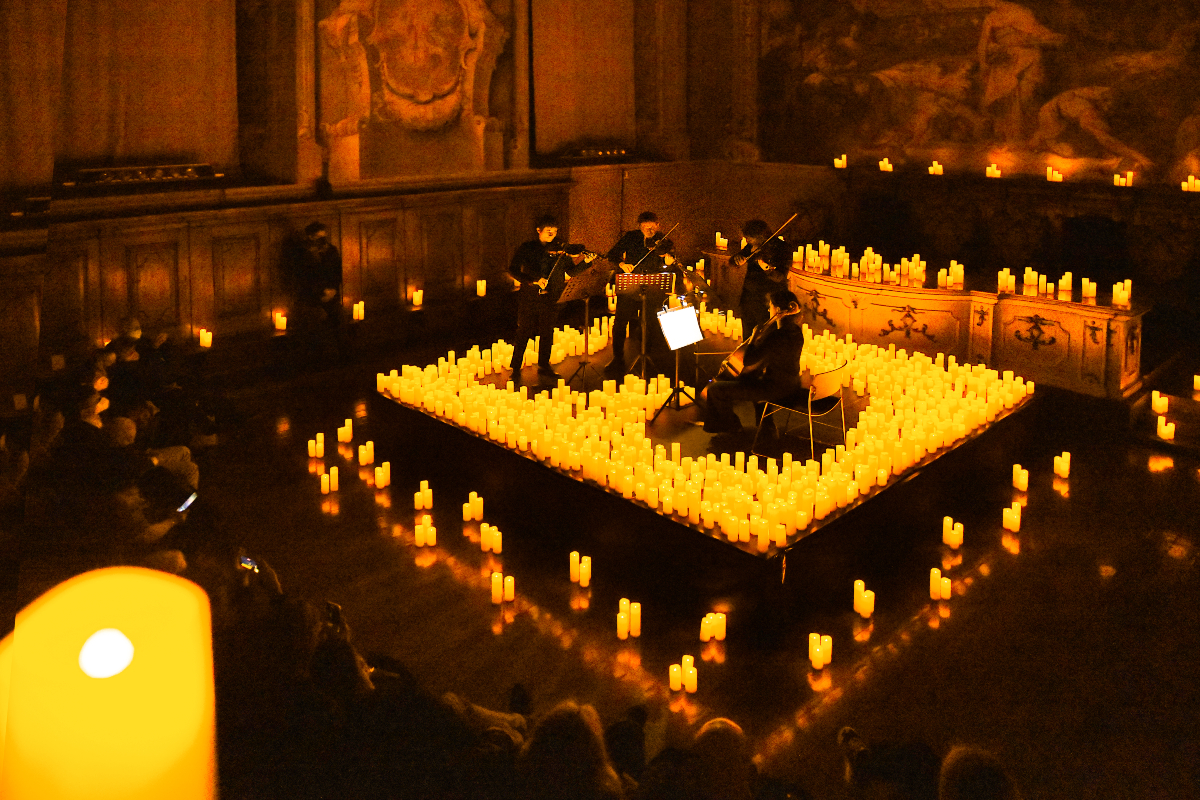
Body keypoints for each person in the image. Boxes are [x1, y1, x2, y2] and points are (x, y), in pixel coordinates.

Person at [701, 289, 805, 435]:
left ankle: (732, 427)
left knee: (715, 390)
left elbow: (749, 360)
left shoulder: (776, 337)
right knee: (752, 377)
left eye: (771, 306)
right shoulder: (795, 331)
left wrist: (753, 337)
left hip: (776, 389)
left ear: (779, 310)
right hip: (792, 383)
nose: (769, 309)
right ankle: (767, 425)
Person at [508, 215, 596, 381]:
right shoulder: (527, 247)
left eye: (555, 232)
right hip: (530, 296)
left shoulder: (561, 250)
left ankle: (544, 365)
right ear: (539, 231)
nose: (553, 235)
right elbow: (512, 269)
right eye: (549, 231)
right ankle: (515, 368)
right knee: (523, 332)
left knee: (547, 332)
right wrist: (532, 280)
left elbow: (569, 273)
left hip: (552, 297)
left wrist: (586, 262)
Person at [604, 211, 677, 376]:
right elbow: (612, 254)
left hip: (653, 287)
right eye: (645, 228)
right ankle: (618, 358)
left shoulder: (665, 242)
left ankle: (649, 356)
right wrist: (622, 264)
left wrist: (667, 259)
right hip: (631, 285)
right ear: (639, 227)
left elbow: (669, 264)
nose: (649, 232)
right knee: (620, 323)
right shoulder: (631, 237)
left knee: (652, 323)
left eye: (652, 228)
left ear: (658, 225)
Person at [284, 222, 345, 360]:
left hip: (330, 294)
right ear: (310, 237)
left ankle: (343, 354)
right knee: (314, 322)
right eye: (319, 238)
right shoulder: (300, 254)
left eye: (324, 237)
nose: (322, 241)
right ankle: (316, 357)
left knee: (339, 319)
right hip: (309, 297)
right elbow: (301, 277)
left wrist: (333, 290)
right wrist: (319, 293)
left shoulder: (331, 251)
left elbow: (337, 272)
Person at [732, 220, 790, 335]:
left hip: (768, 301)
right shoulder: (752, 246)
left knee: (766, 335)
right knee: (748, 335)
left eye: (750, 238)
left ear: (761, 236)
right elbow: (733, 261)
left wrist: (766, 267)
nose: (747, 241)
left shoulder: (782, 248)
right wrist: (737, 258)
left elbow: (781, 277)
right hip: (749, 298)